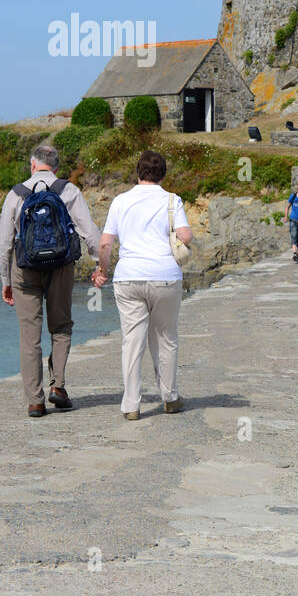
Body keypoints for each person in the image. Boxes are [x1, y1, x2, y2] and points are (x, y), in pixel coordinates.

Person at [0, 144, 102, 416]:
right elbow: (90, 233)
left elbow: (4, 243)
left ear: (33, 165)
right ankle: (58, 387)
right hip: (60, 267)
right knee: (61, 326)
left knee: (29, 336)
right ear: (55, 167)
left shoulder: (16, 193)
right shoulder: (68, 190)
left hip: (24, 269)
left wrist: (4, 280)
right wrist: (99, 264)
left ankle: (35, 401)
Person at [92, 150, 193, 421]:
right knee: (166, 338)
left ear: (138, 172)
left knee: (132, 341)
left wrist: (102, 270)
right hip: (165, 276)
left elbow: (105, 243)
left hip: (129, 277)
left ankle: (131, 405)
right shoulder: (172, 200)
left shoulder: (121, 201)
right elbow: (185, 235)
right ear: (163, 174)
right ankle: (170, 397)